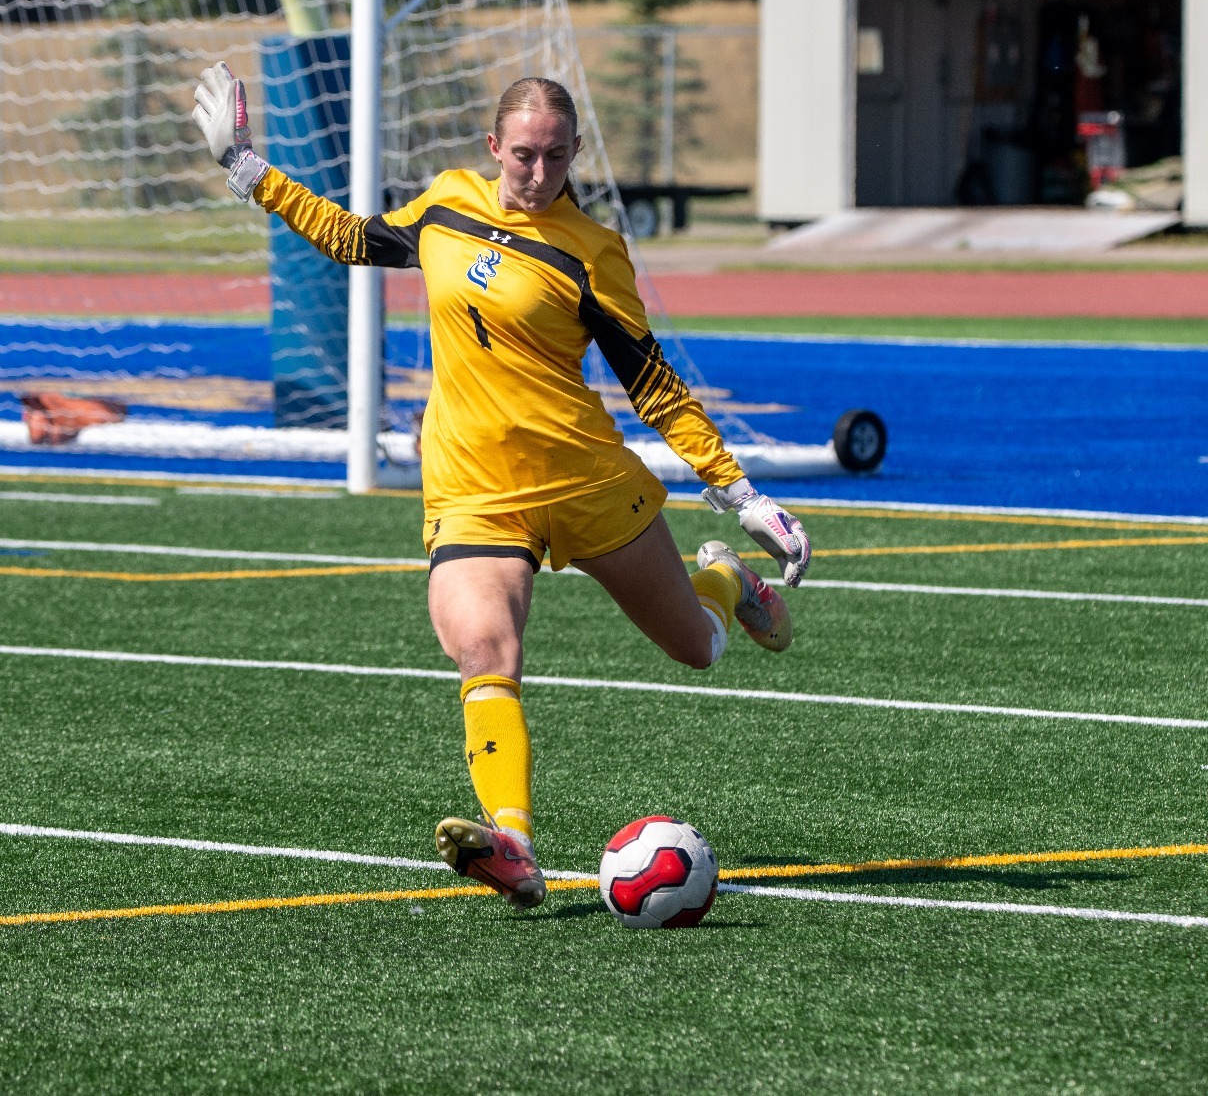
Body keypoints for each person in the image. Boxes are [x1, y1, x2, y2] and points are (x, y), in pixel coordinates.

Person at [190, 65, 812, 909]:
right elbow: (349, 237)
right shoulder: (446, 204)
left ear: (575, 154)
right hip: (474, 486)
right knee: (484, 650)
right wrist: (249, 171)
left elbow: (655, 385)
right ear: (492, 148)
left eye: (555, 157)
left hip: (585, 477)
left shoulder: (594, 253)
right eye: (522, 154)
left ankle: (726, 582)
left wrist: (744, 498)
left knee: (696, 647)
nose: (536, 173)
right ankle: (512, 842)